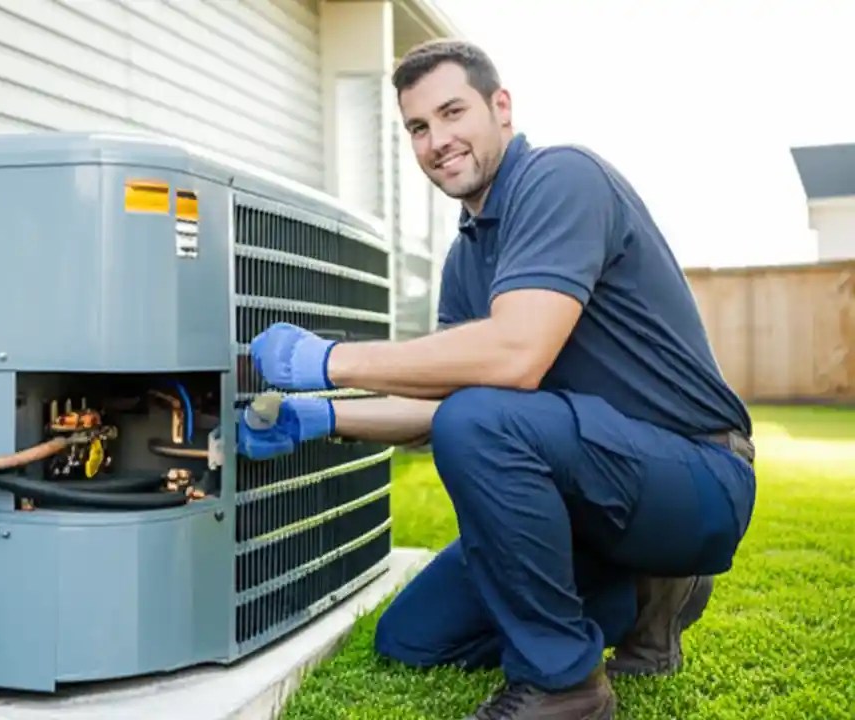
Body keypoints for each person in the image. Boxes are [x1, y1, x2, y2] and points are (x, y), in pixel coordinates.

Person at [235, 39, 757, 720]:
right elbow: (442, 402)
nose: (437, 141)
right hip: (591, 493)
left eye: (453, 112)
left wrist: (326, 360)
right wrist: (326, 415)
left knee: (478, 418)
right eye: (418, 127)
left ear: (500, 107)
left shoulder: (562, 179)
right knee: (412, 638)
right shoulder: (467, 259)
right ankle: (644, 599)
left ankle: (564, 686)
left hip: (694, 476)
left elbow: (514, 357)